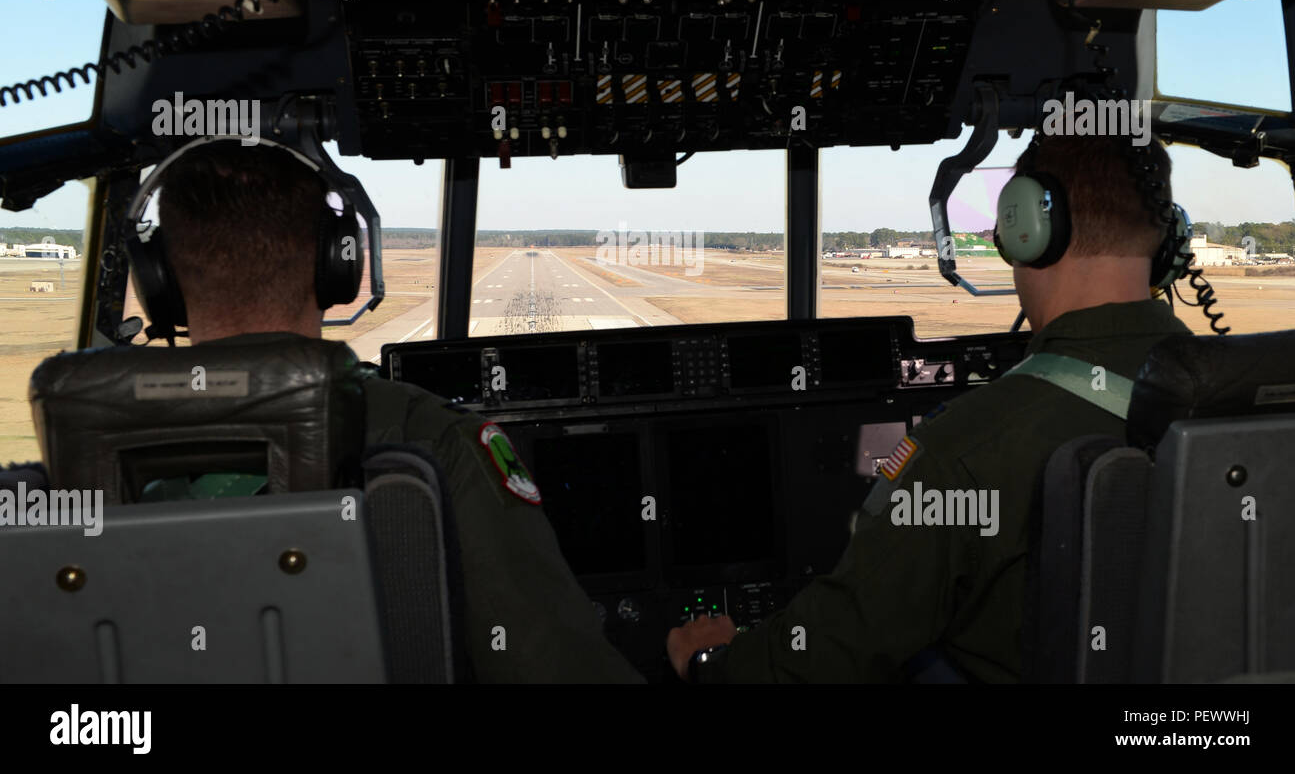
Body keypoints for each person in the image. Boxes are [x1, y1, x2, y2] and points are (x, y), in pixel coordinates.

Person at [667, 134, 1192, 683]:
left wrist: (712, 663)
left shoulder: (966, 450)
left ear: (1026, 232)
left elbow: (831, 651)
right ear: (1165, 243)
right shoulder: (1253, 397)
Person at [155, 140, 642, 683]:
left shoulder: (83, 446)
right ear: (336, 265)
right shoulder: (430, 442)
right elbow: (555, 666)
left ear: (158, 282)